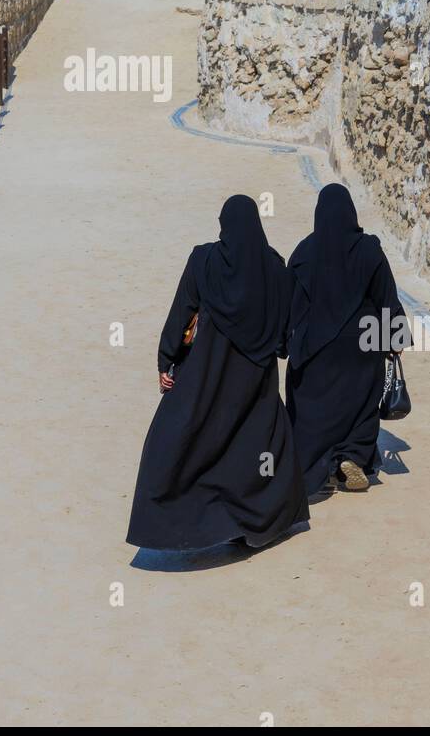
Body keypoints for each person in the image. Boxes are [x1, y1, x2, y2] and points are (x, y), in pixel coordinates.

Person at [127, 194, 308, 551]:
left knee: (184, 439)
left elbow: (182, 312)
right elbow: (286, 329)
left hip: (208, 375)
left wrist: (167, 360)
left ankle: (190, 524)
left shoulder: (204, 260)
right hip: (256, 380)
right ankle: (256, 522)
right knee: (255, 447)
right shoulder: (275, 266)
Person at [286, 183, 409, 495]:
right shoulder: (369, 249)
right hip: (362, 345)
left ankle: (317, 464)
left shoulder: (303, 252)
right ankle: (351, 455)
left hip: (316, 348)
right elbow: (386, 297)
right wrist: (395, 338)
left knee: (312, 406)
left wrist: (288, 342)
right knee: (360, 403)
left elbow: (292, 303)